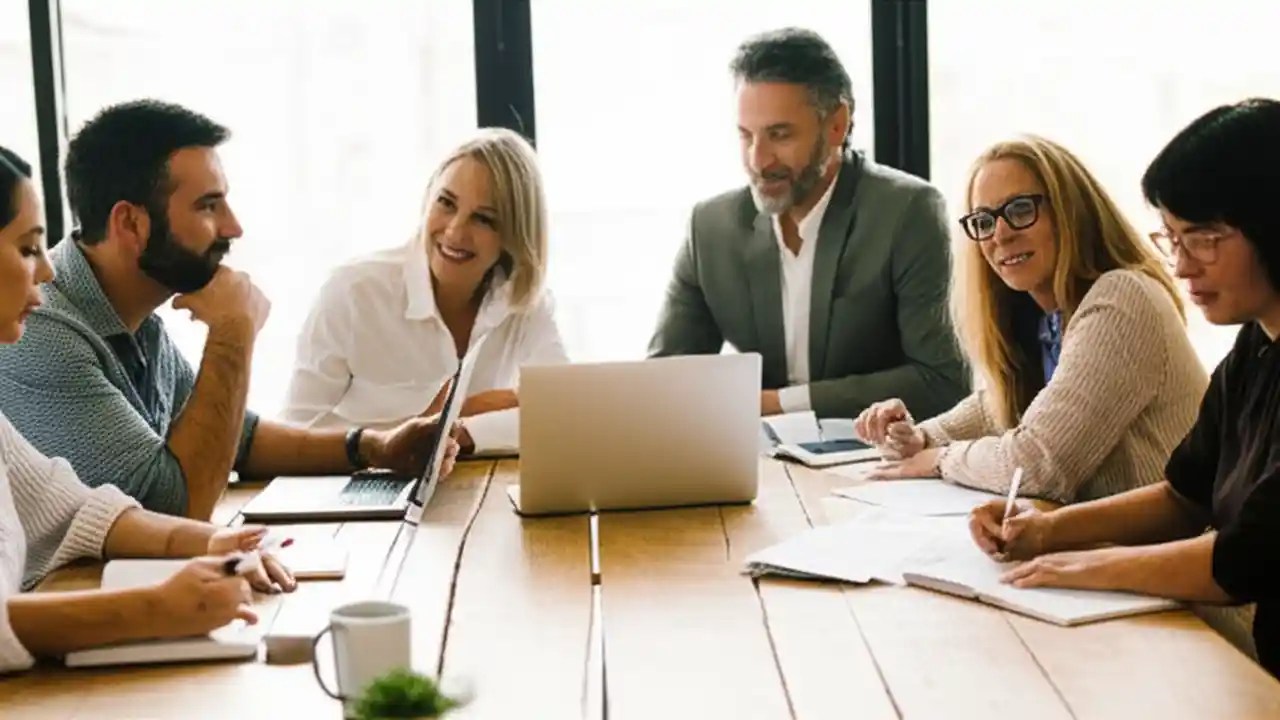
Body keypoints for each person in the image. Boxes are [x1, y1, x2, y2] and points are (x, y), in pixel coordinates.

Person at [0, 100, 456, 520]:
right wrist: (233, 331)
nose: (233, 227)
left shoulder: (135, 315)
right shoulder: (42, 333)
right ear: (131, 223)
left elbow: (241, 440)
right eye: (208, 206)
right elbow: (179, 506)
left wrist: (375, 447)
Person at [968, 99, 1280, 677]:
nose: (1182, 266)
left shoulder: (1123, 299)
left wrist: (1087, 566)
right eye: (1172, 239)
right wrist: (1046, 532)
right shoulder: (1255, 348)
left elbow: (1245, 561)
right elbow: (1185, 495)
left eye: (1203, 238)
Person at [0, 145, 296, 675]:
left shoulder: (145, 327)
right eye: (27, 249)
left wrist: (214, 543)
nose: (46, 272)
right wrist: (155, 607)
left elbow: (74, 508)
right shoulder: (49, 336)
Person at [854, 136, 1205, 503]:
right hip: (1103, 550)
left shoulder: (1123, 299)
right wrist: (917, 438)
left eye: (1020, 210)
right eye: (984, 220)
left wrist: (940, 458)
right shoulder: (1045, 320)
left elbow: (1038, 466)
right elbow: (994, 408)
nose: (1001, 234)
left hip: (1164, 553)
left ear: (1070, 211)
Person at [647, 27, 967, 420]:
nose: (758, 160)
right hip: (757, 464)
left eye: (779, 135)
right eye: (746, 136)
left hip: (871, 461)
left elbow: (943, 381)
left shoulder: (908, 212)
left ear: (837, 125)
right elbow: (664, 382)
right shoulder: (710, 227)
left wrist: (777, 404)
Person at [282, 128, 567, 455]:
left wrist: (459, 426)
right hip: (348, 488)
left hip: (460, 485)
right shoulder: (353, 292)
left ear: (513, 234)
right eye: (446, 203)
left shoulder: (525, 302)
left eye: (483, 219)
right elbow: (293, 434)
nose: (455, 231)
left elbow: (563, 413)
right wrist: (417, 428)